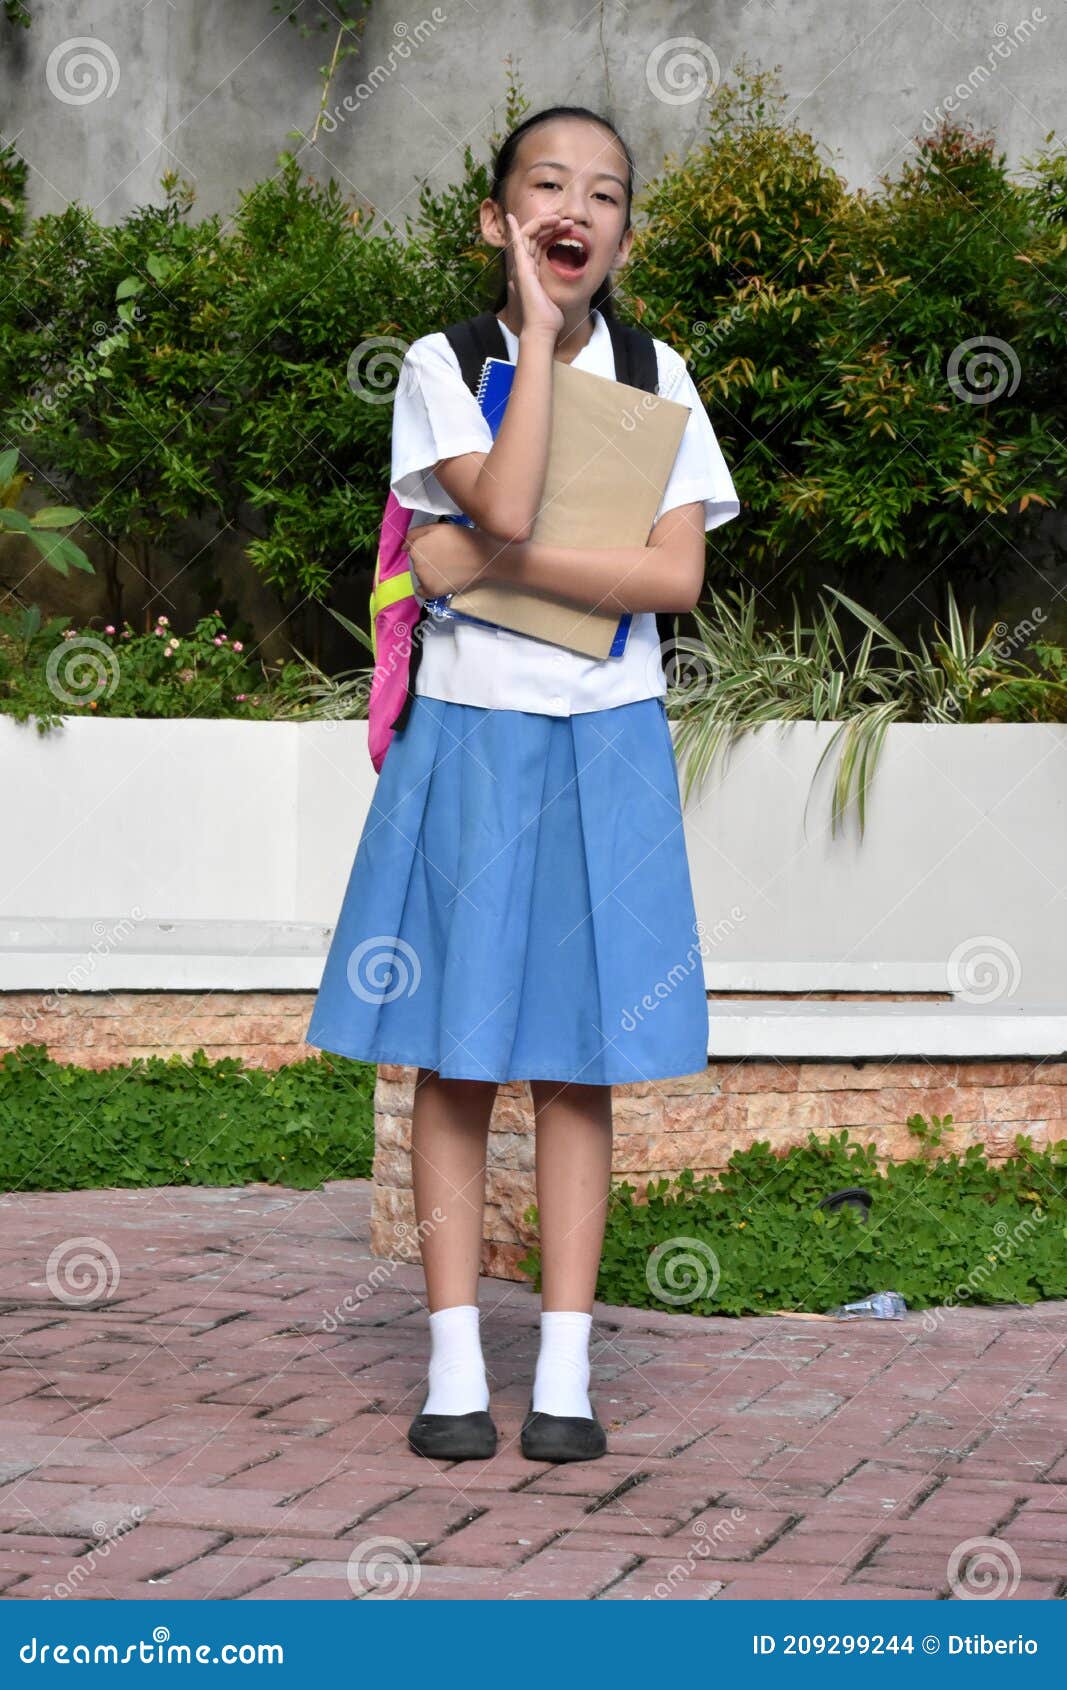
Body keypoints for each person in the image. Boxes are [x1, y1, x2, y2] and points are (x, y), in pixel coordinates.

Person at [305, 104, 740, 1465]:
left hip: (606, 737)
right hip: (472, 736)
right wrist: (539, 349)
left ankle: (564, 1373)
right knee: (454, 1056)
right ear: (500, 220)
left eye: (605, 194)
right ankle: (451, 1369)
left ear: (624, 236)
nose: (577, 208)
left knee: (579, 1061)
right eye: (548, 185)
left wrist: (482, 571)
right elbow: (497, 496)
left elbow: (673, 578)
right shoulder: (443, 366)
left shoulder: (661, 373)